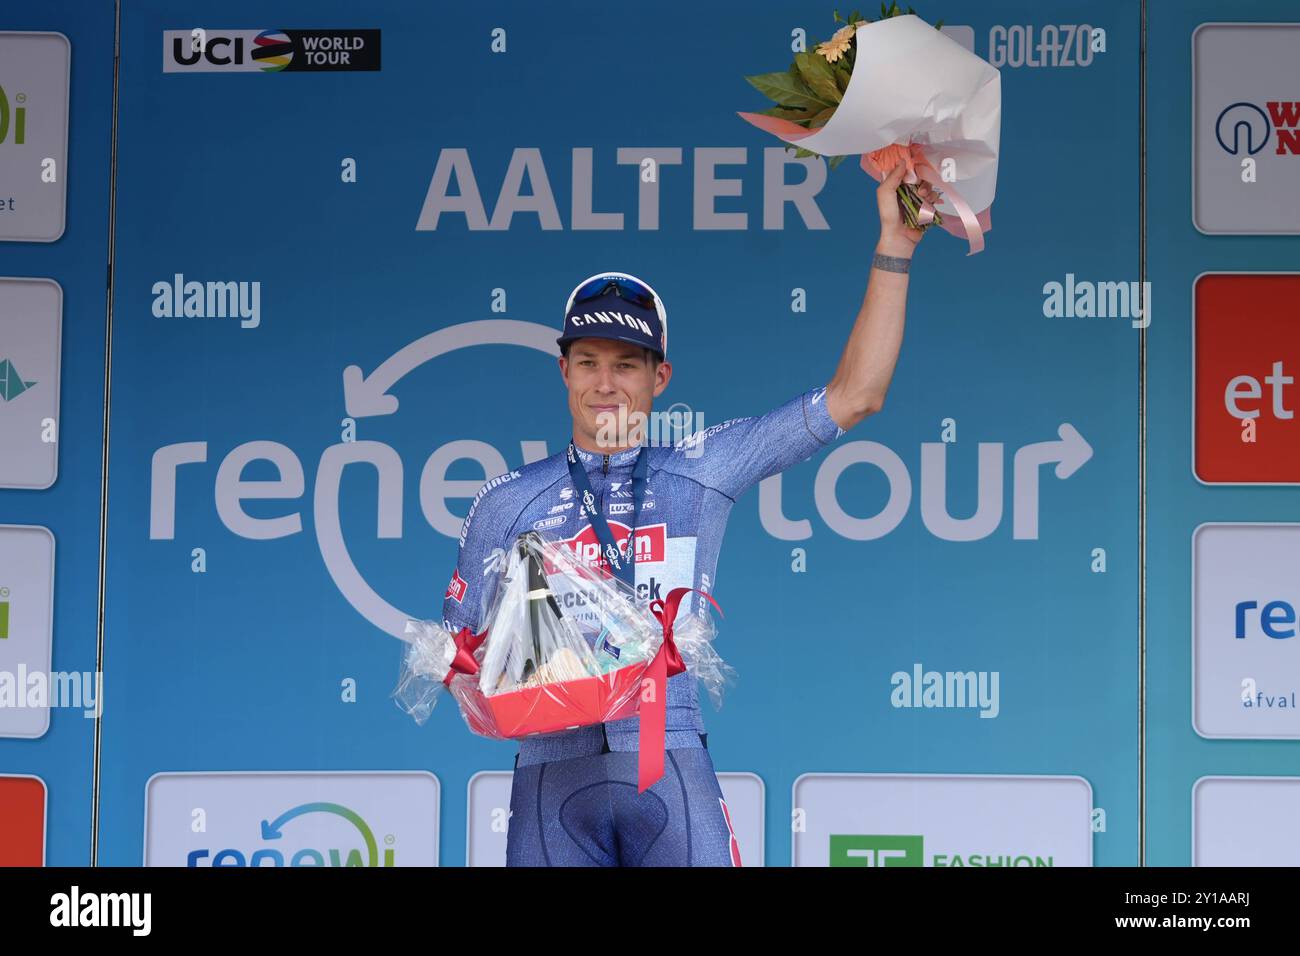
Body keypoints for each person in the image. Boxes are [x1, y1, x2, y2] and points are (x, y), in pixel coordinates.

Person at [441, 163, 937, 866]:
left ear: (660, 377)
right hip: (550, 770)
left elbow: (857, 394)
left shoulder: (701, 470)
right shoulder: (506, 501)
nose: (605, 384)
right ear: (564, 372)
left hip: (667, 758)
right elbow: (459, 657)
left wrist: (897, 244)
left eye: (627, 364)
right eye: (587, 363)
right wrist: (482, 667)